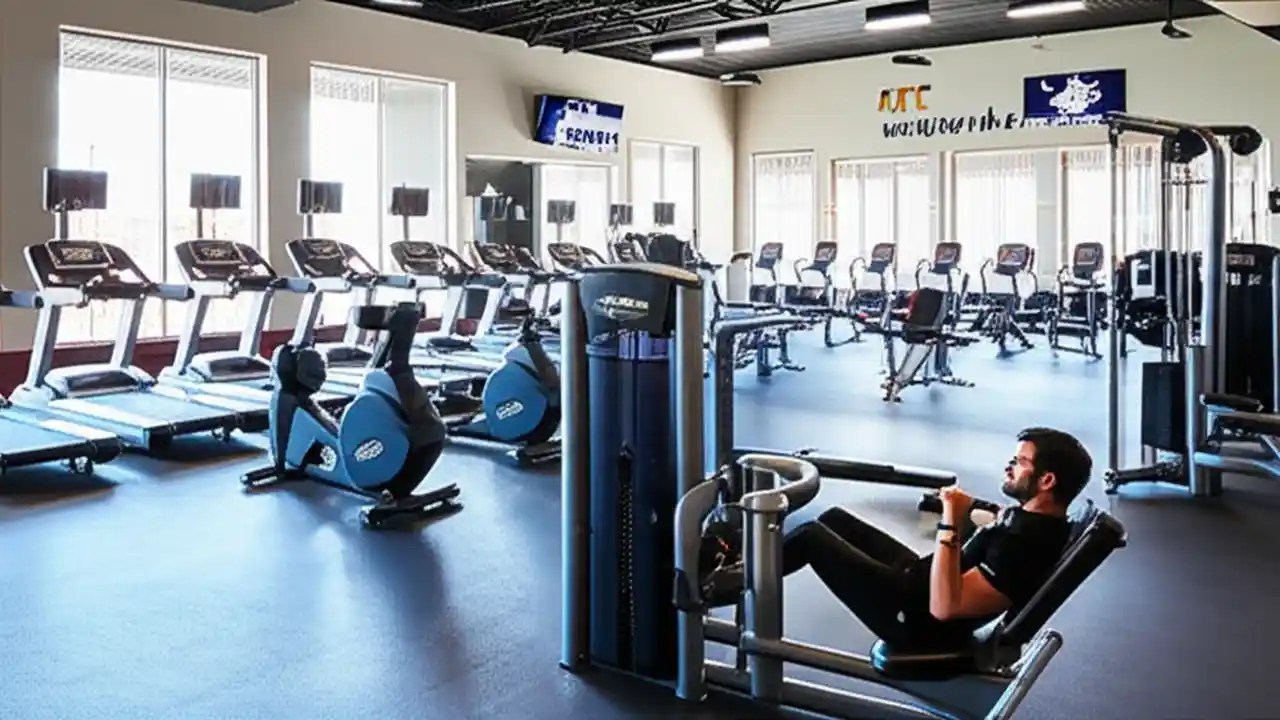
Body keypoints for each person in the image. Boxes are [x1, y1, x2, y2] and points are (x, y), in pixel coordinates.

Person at [781, 427, 1091, 647]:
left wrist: (951, 521)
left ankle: (738, 580)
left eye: (1021, 462)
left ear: (1047, 480)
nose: (1009, 466)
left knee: (811, 538)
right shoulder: (1037, 521)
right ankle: (743, 562)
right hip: (917, 582)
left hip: (912, 618)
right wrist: (981, 517)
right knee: (836, 519)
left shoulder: (1023, 547)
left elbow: (945, 607)